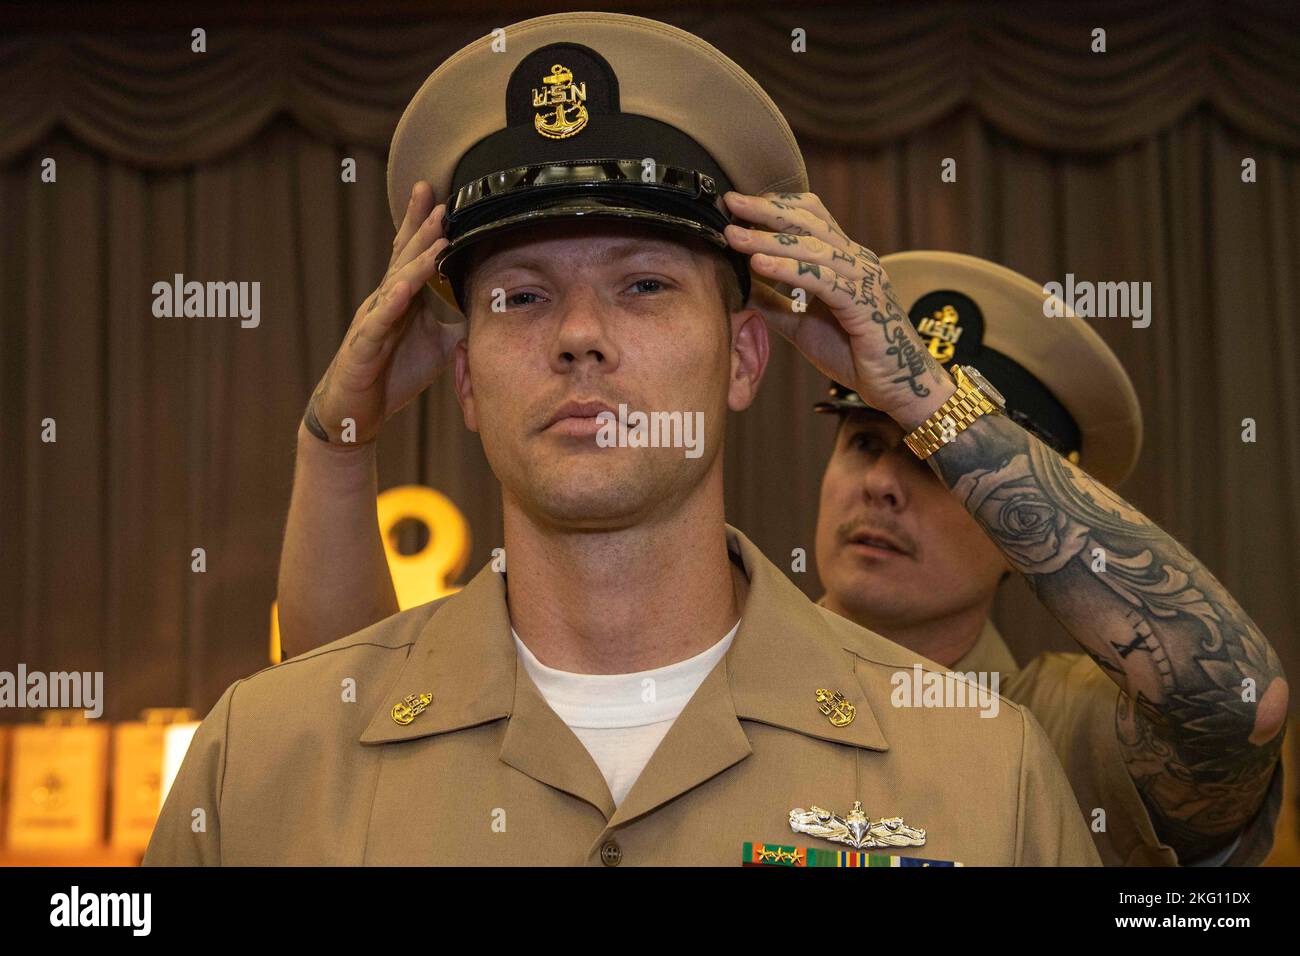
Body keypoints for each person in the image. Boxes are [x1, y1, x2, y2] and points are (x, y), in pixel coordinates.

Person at [145, 11, 1099, 866]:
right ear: (467, 379)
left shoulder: (983, 770)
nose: (578, 335)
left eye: (645, 285)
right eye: (521, 296)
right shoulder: (260, 762)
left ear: (743, 359)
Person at [795, 250, 1287, 866]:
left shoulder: (1067, 731)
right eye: (864, 441)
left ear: (1024, 528)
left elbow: (1237, 705)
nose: (879, 485)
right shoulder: (717, 666)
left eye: (935, 464)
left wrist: (932, 404)